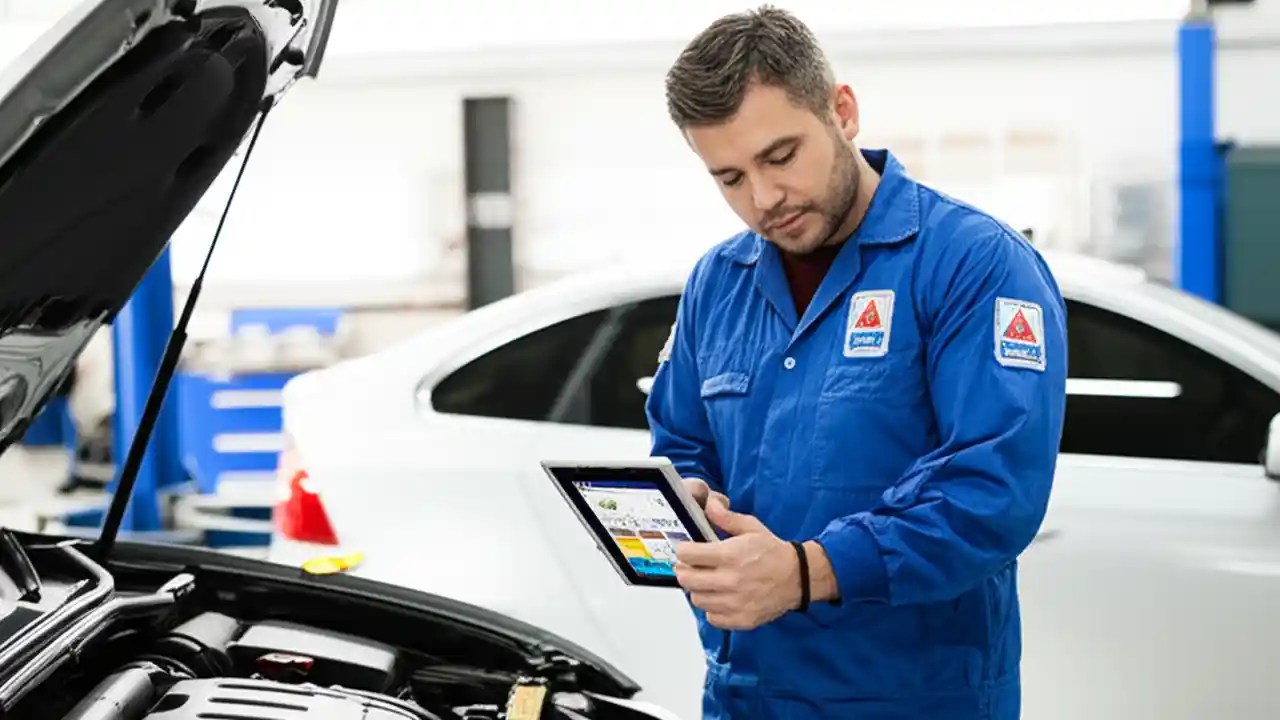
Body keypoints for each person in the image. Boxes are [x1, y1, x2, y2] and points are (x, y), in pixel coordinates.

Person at [644, 6, 1068, 719]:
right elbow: (683, 441)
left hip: (914, 698)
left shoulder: (973, 265)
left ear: (843, 111)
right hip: (746, 693)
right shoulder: (718, 283)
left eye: (780, 156)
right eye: (730, 178)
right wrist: (695, 501)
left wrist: (809, 572)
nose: (764, 198)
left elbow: (992, 490)